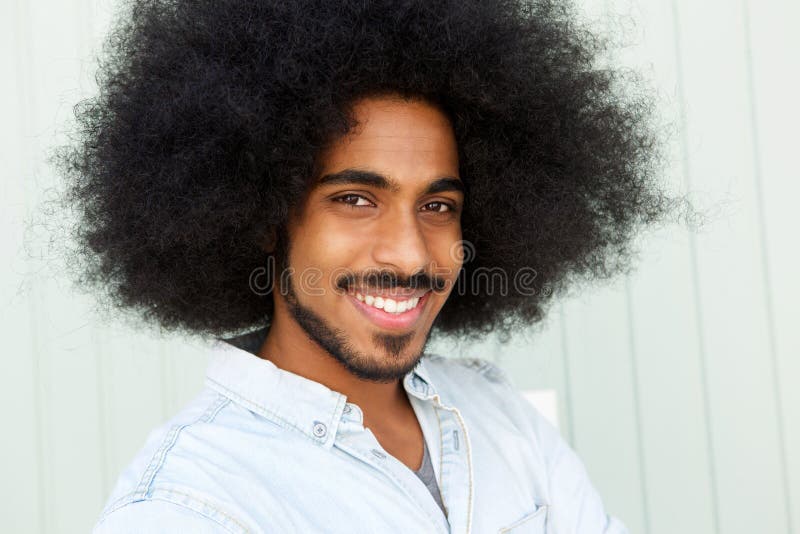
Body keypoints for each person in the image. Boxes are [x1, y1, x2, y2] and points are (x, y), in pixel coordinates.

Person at [56, 0, 679, 532]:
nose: (409, 253)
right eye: (355, 200)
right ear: (266, 218)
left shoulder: (498, 414)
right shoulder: (191, 508)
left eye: (437, 205)